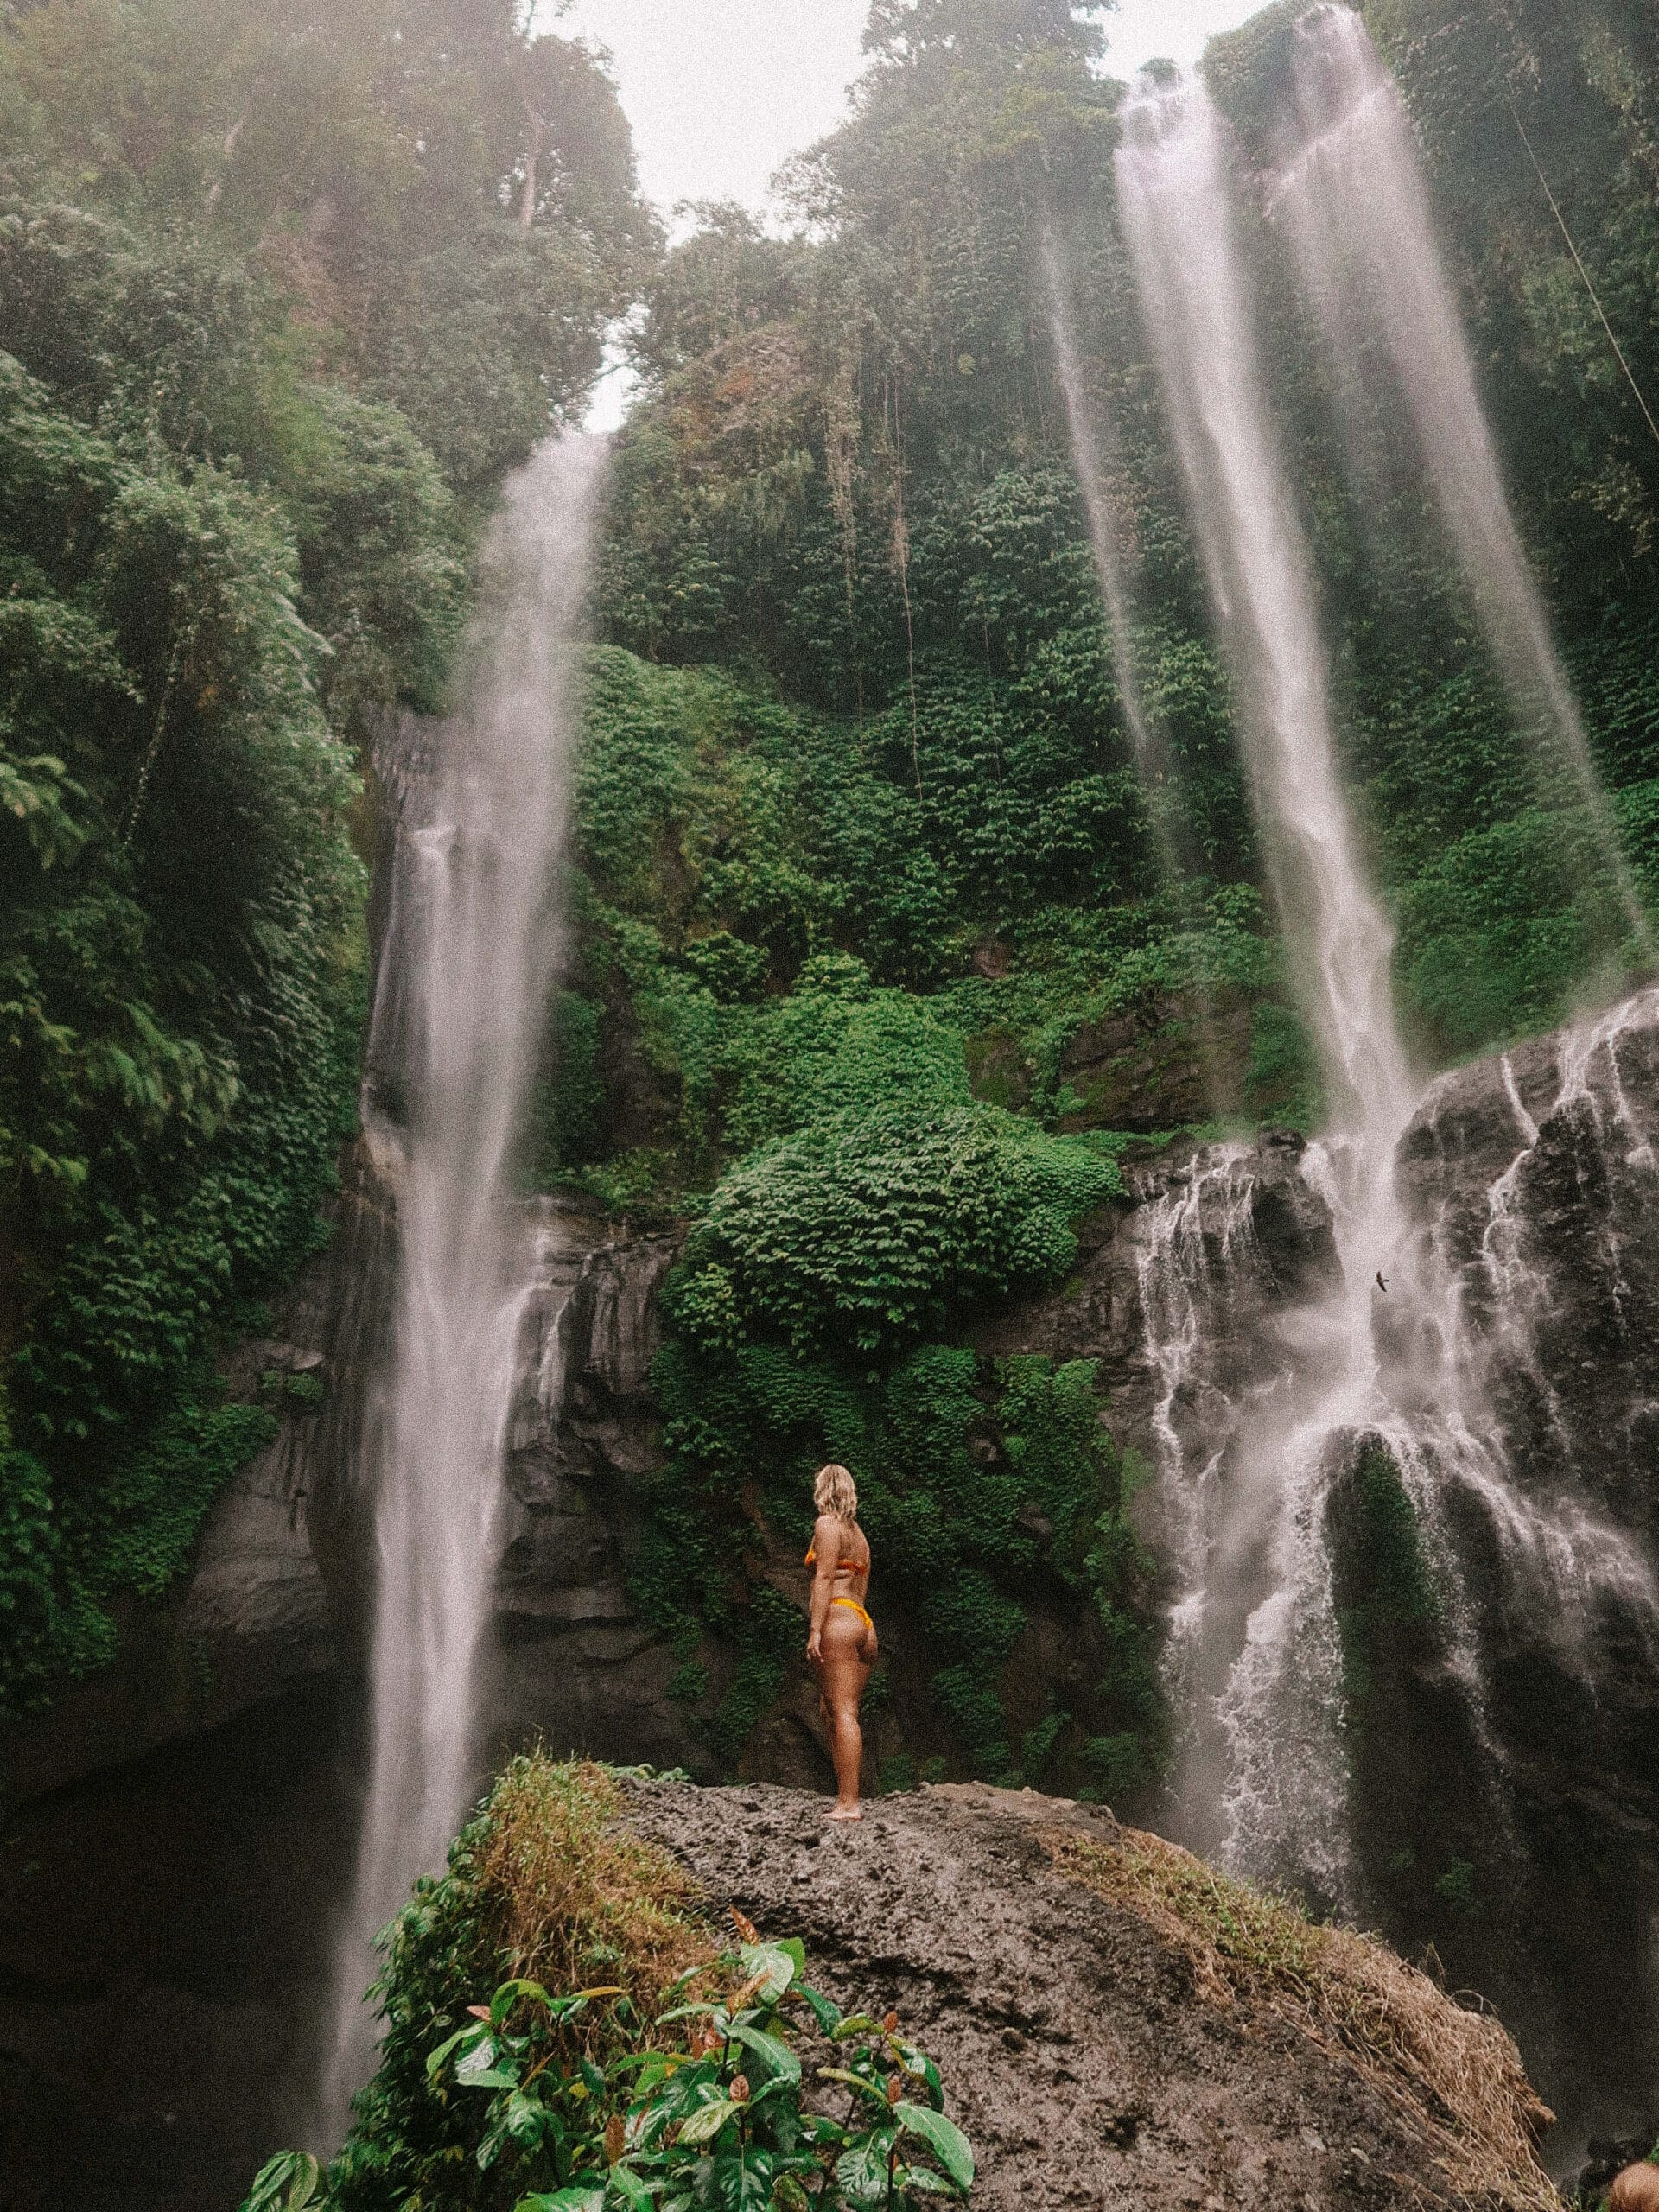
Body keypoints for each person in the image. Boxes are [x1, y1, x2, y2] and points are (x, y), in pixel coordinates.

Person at [804, 1461, 876, 1821]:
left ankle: (849, 1802)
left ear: (823, 1489)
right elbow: (860, 1587)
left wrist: (816, 1629)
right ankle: (844, 1795)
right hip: (862, 1622)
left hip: (838, 1619)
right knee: (831, 1709)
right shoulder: (859, 1535)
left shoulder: (828, 1525)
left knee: (844, 1711)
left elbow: (823, 1578)